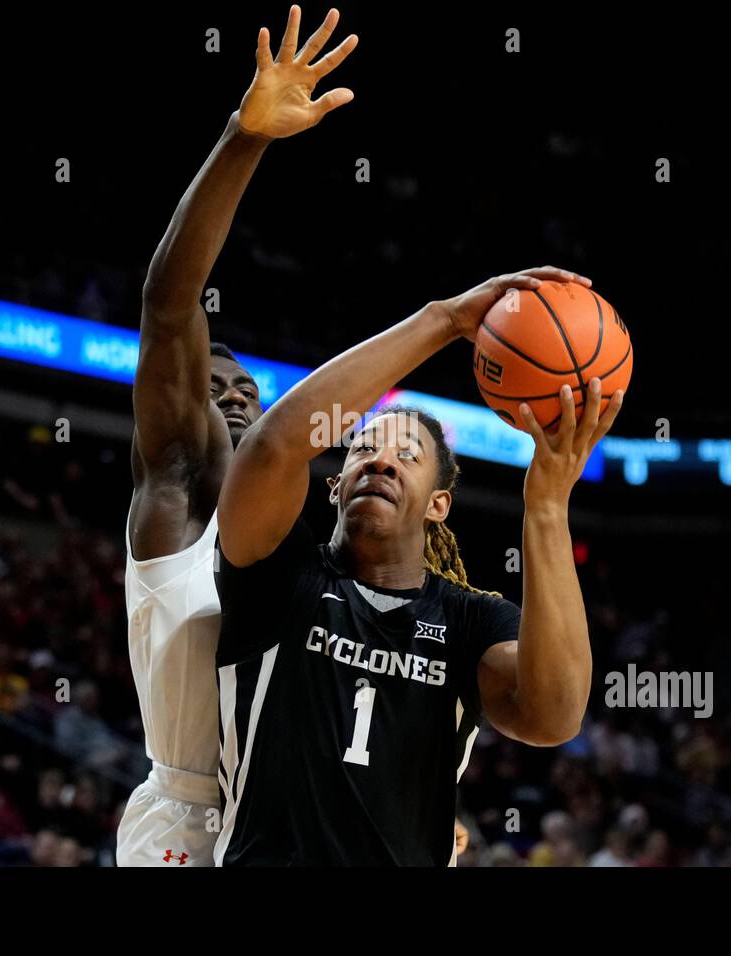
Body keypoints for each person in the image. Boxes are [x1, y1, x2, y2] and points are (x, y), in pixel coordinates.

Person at [213, 266, 624, 865]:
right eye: (362, 448)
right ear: (334, 486)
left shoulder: (471, 620)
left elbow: (554, 715)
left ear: (439, 505)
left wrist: (548, 506)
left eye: (407, 455)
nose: (381, 461)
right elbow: (272, 447)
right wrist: (445, 319)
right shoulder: (280, 574)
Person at [115, 5, 357, 867]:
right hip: (191, 822)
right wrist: (244, 138)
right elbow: (169, 304)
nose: (237, 399)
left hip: (303, 806)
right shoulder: (177, 495)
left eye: (250, 388)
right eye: (215, 391)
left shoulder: (318, 550)